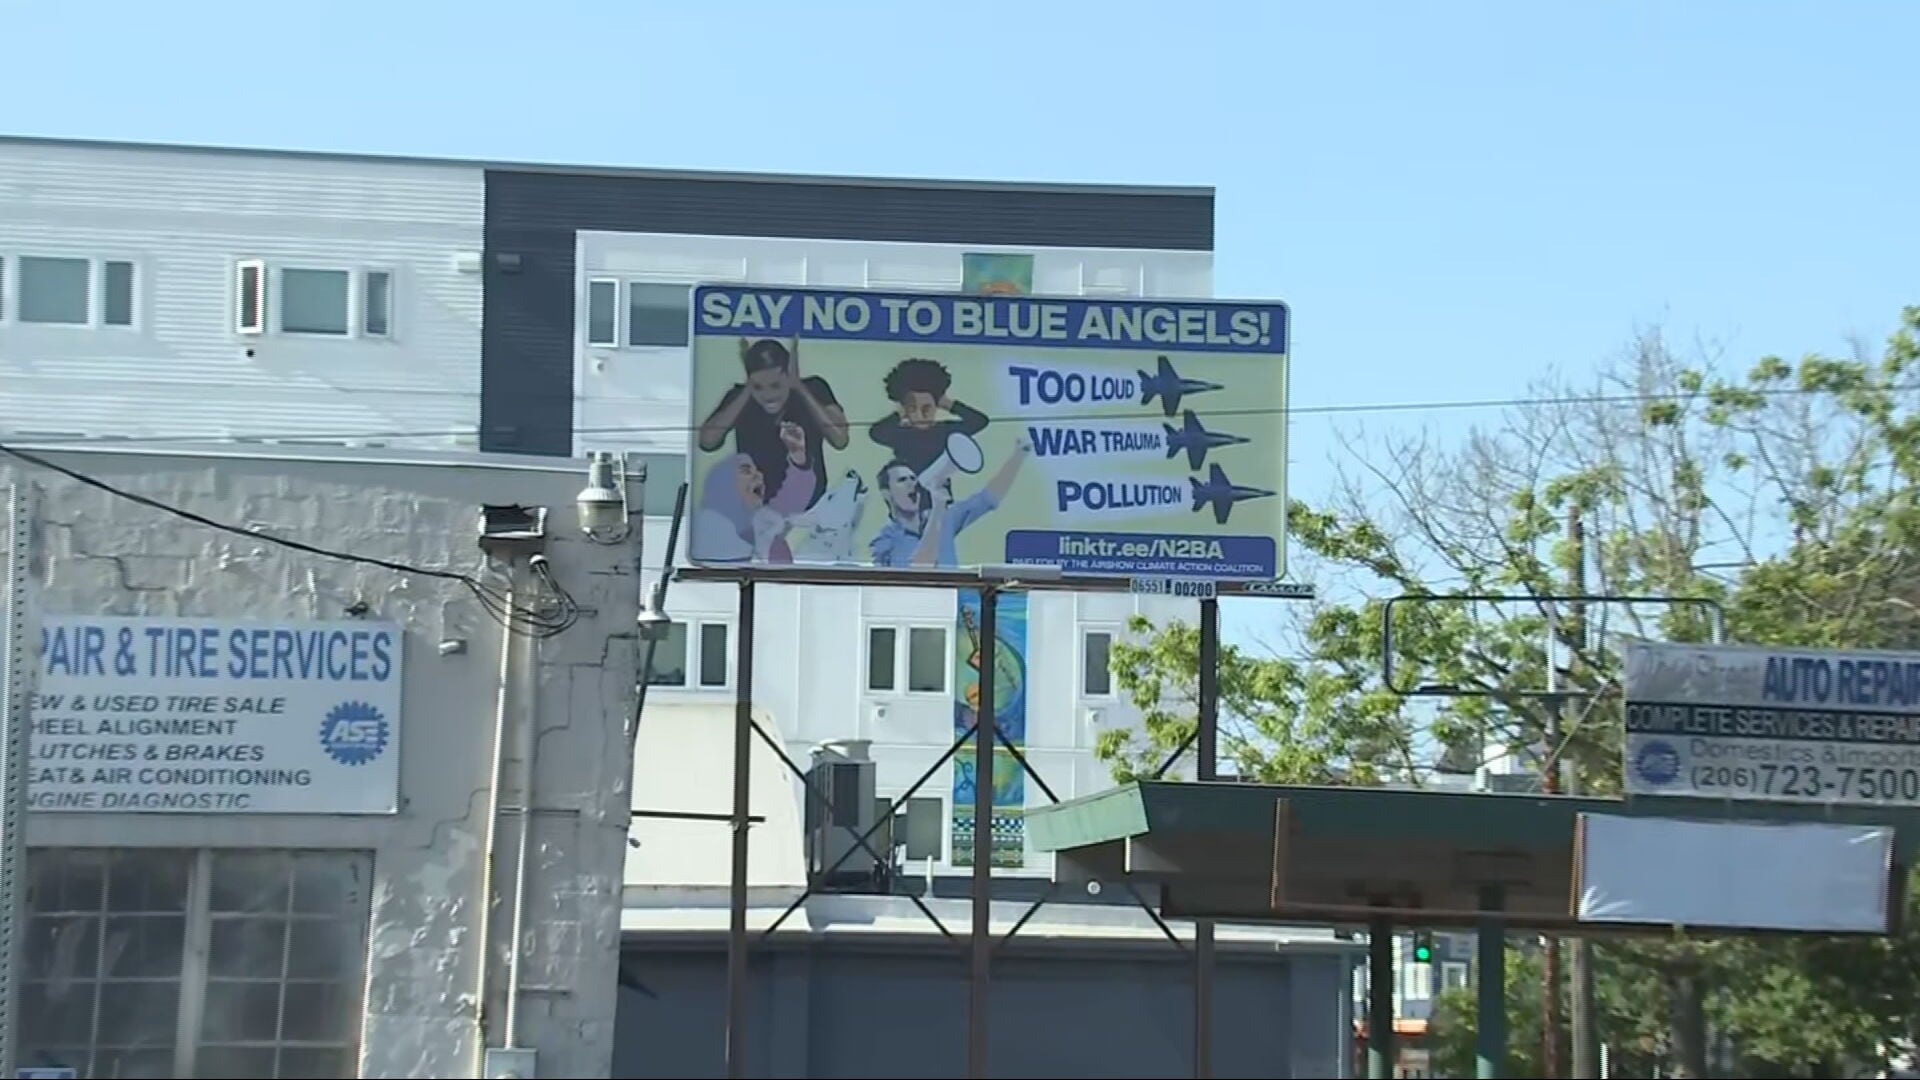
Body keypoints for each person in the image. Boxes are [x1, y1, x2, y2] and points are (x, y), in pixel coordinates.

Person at [696, 338, 848, 511]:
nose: (768, 395)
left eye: (776, 385)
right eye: (759, 387)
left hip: (810, 510)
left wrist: (799, 387)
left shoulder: (814, 388)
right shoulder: (739, 398)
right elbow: (707, 441)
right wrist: (748, 390)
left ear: (788, 375)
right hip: (758, 512)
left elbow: (840, 439)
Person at [869, 438, 1030, 568]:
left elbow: (986, 499)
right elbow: (920, 569)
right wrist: (938, 508)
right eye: (902, 480)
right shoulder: (885, 539)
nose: (912, 483)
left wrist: (1018, 457)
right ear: (887, 493)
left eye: (913, 478)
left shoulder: (945, 518)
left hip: (952, 604)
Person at [868, 358, 990, 478]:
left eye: (927, 408)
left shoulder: (945, 431)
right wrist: (900, 412)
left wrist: (947, 403)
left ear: (936, 406)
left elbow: (980, 421)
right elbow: (876, 433)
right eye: (913, 408)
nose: (921, 415)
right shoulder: (901, 434)